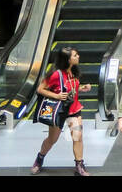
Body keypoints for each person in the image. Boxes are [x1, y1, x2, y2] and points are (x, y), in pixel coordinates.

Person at [30, 46, 88, 176]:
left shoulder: (74, 71)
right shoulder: (56, 74)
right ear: (67, 59)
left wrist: (82, 88)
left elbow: (71, 89)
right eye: (74, 55)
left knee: (77, 138)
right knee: (52, 139)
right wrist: (56, 96)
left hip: (74, 110)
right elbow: (40, 89)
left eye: (77, 54)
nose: (78, 57)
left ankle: (79, 165)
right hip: (59, 112)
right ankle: (40, 158)